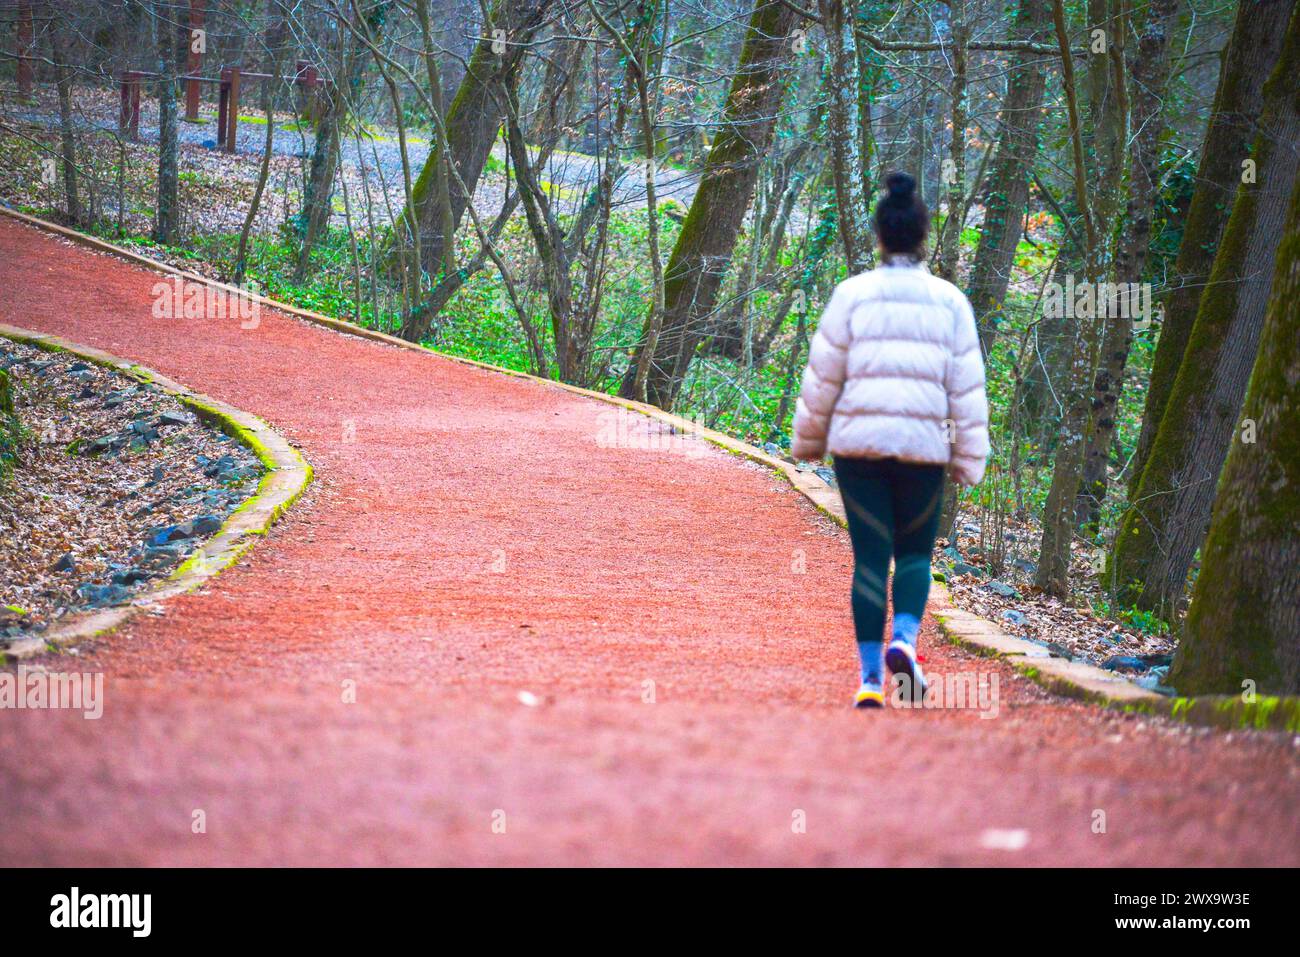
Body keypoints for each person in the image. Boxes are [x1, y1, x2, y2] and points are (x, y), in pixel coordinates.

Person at [791, 172, 989, 709]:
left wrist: (809, 441)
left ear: (879, 236)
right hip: (925, 449)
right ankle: (904, 638)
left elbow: (823, 376)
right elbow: (966, 389)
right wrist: (968, 459)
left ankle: (871, 679)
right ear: (924, 237)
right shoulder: (950, 302)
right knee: (916, 555)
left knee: (870, 560)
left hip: (858, 448)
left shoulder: (851, 294)